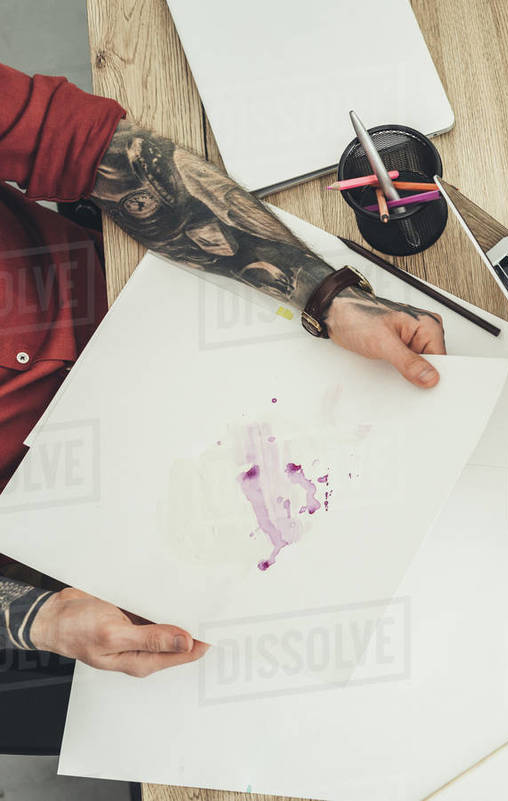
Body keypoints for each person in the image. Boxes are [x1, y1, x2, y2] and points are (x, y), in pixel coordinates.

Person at [0, 62, 448, 751]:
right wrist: (38, 617)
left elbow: (93, 148)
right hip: (61, 533)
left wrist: (327, 295)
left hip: (149, 305)